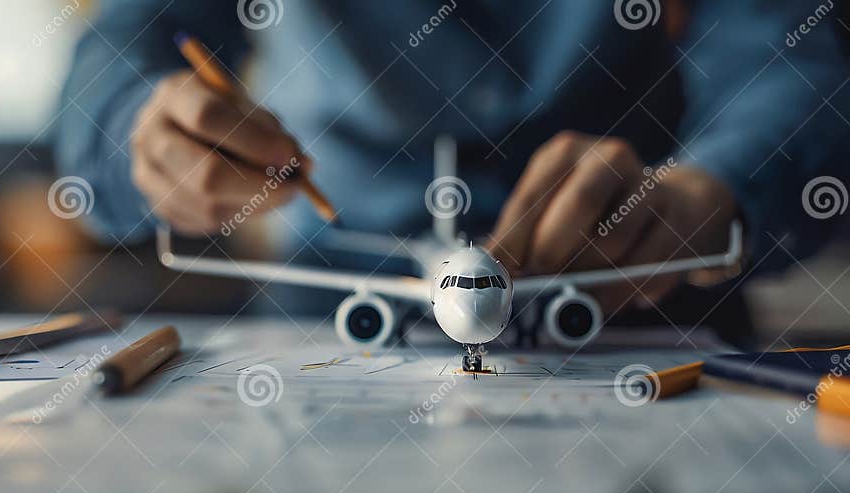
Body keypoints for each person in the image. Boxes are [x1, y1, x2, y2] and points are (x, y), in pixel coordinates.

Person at [55, 0, 849, 336]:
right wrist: (138, 127)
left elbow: (789, 58)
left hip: (641, 283)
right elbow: (129, 39)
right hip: (334, 283)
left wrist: (721, 183)